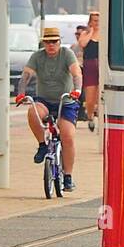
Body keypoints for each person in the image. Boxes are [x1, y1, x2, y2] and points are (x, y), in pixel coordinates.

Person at [20, 25, 83, 191]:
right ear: (43, 43)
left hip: (66, 101)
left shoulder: (67, 54)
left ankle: (68, 176)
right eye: (47, 42)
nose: (51, 45)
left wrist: (77, 90)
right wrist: (21, 93)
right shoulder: (37, 56)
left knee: (67, 136)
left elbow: (76, 74)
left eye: (54, 41)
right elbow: (25, 75)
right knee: (33, 112)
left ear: (59, 41)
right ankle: (42, 145)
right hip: (45, 101)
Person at [75, 10, 100, 132]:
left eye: (98, 20)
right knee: (90, 98)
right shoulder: (85, 33)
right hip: (90, 65)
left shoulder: (105, 33)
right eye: (94, 20)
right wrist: (91, 32)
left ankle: (101, 117)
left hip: (101, 65)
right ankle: (90, 116)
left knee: (101, 95)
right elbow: (82, 44)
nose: (97, 23)